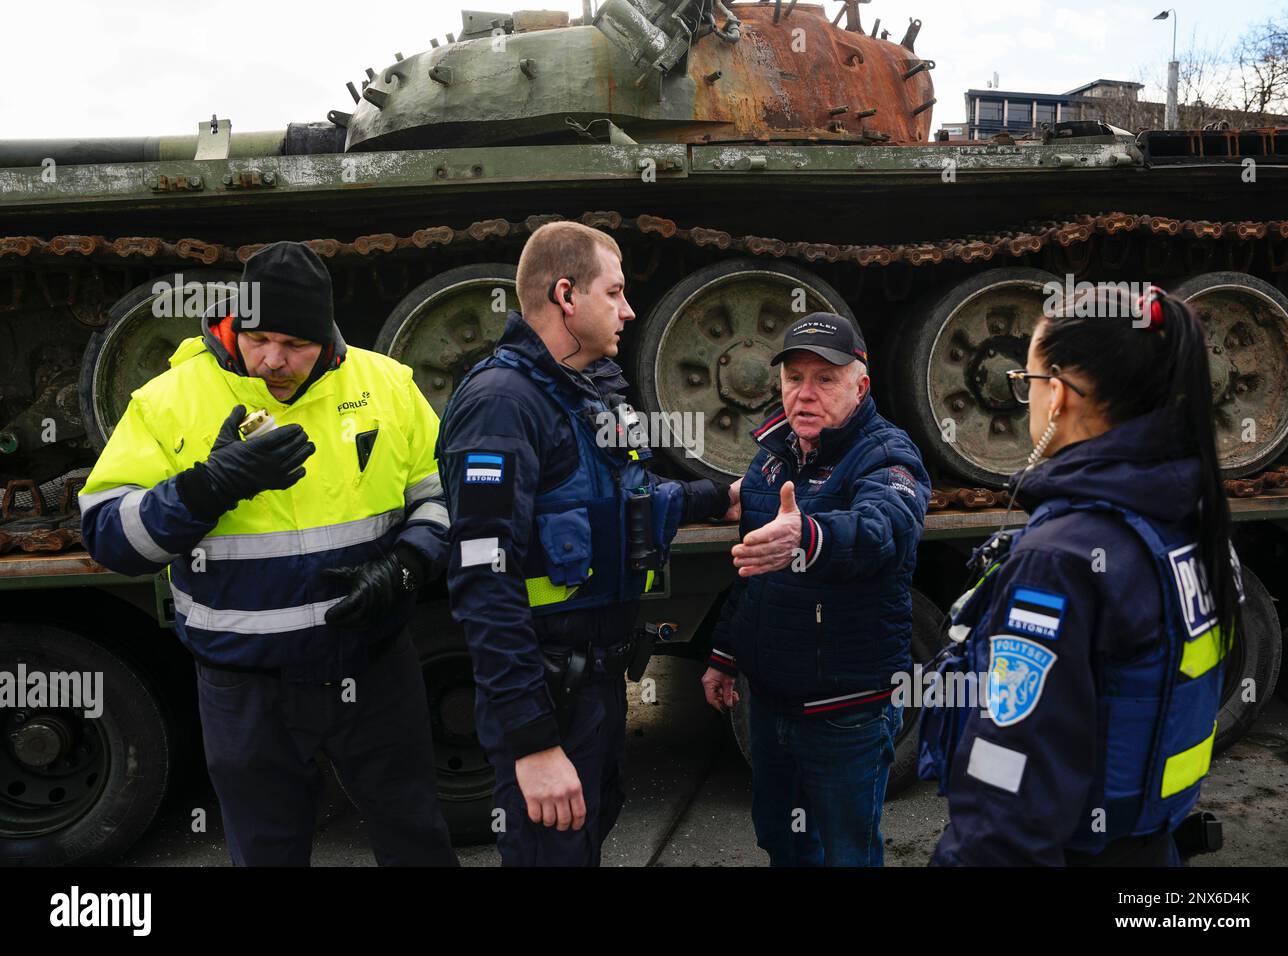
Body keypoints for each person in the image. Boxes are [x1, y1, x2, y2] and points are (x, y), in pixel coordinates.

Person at [79, 241, 458, 866]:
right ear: (234, 322)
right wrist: (209, 486)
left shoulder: (386, 384)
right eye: (258, 339)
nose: (272, 362)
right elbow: (110, 539)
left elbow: (442, 496)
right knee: (268, 852)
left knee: (415, 834)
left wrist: (409, 564)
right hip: (246, 686)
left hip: (373, 664)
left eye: (295, 345)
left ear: (328, 336)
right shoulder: (168, 400)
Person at [436, 221, 738, 866]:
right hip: (549, 696)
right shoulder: (501, 404)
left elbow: (617, 508)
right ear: (567, 295)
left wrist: (717, 498)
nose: (629, 311)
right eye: (617, 293)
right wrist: (533, 744)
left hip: (594, 687)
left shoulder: (587, 392)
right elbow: (482, 581)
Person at [921, 286, 1240, 866]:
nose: (1028, 402)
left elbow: (1008, 799)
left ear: (1061, 395)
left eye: (1029, 382)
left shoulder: (1060, 560)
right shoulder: (1188, 520)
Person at [701, 312, 930, 867]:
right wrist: (725, 656)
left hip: (846, 707)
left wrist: (808, 534)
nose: (804, 394)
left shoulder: (887, 455)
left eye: (825, 379)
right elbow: (753, 573)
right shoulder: (771, 459)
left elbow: (880, 531)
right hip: (770, 703)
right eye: (794, 377)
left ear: (860, 385)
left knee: (848, 853)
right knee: (784, 842)